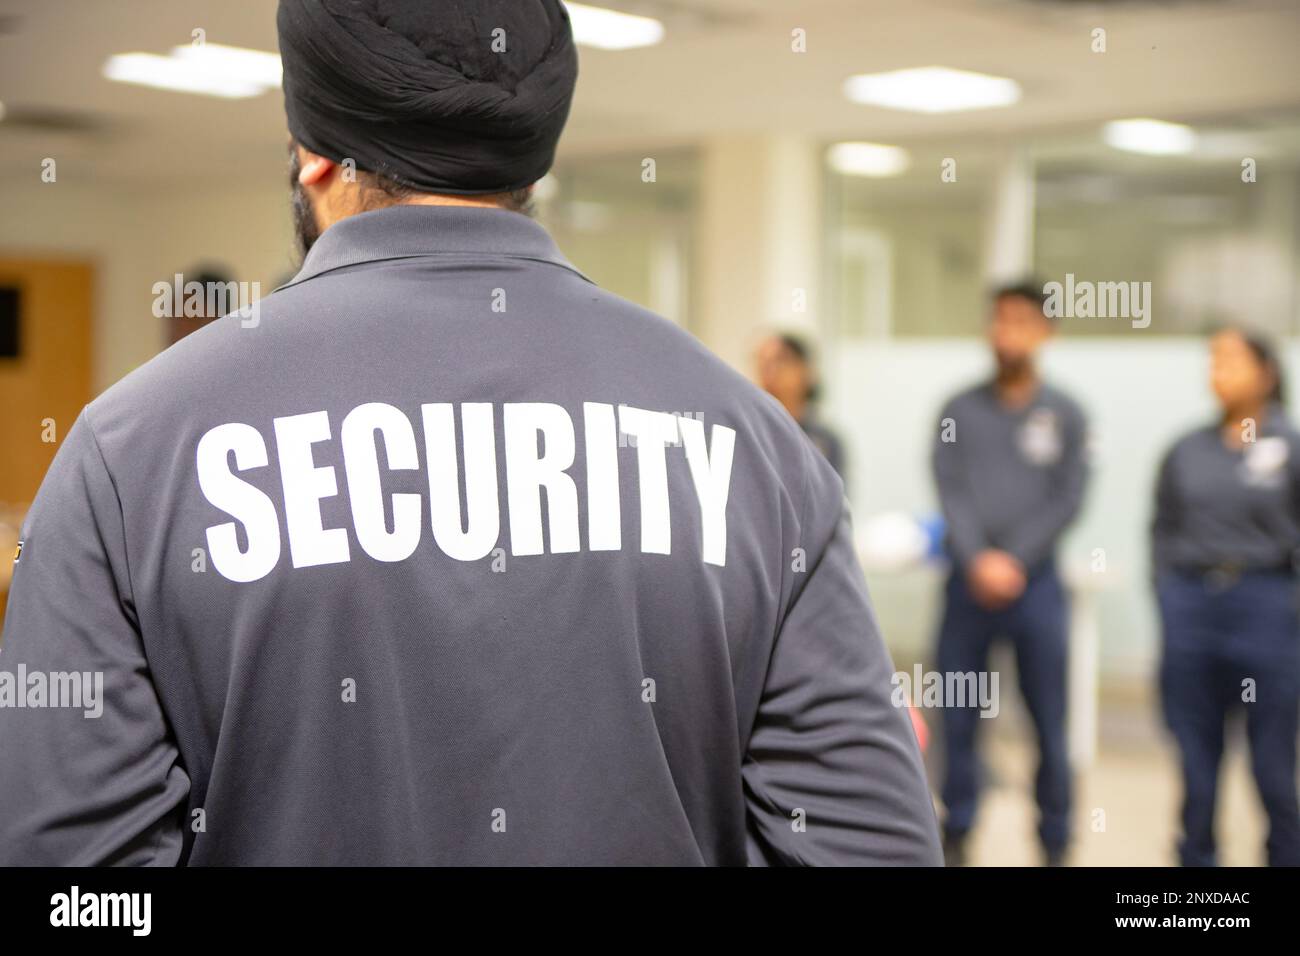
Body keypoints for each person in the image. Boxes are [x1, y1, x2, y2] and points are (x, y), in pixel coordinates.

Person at [0, 0, 940, 865]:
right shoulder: (754, 448)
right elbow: (870, 849)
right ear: (532, 165)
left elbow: (75, 875)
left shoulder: (127, 453)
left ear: (312, 154)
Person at [931, 281, 1088, 866]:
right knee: (959, 718)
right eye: (999, 320)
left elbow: (1067, 499)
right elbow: (950, 489)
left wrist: (1015, 559)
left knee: (1049, 720)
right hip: (966, 587)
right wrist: (977, 559)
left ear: (1047, 332)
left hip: (1036, 588)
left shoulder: (1067, 414)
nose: (1007, 333)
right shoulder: (957, 411)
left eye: (1021, 321)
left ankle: (1055, 839)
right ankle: (958, 832)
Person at [1152, 326, 1300, 867]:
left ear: (1266, 372)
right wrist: (1169, 598)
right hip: (1192, 608)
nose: (1219, 369)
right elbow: (1162, 531)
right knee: (1195, 764)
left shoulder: (1288, 446)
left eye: (1232, 359)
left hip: (1267, 608)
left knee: (1273, 767)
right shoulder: (1186, 450)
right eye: (1213, 358)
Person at [755, 333, 847, 480]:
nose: (770, 374)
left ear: (804, 370)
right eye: (763, 365)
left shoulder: (824, 441)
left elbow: (833, 499)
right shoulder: (753, 432)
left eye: (780, 362)